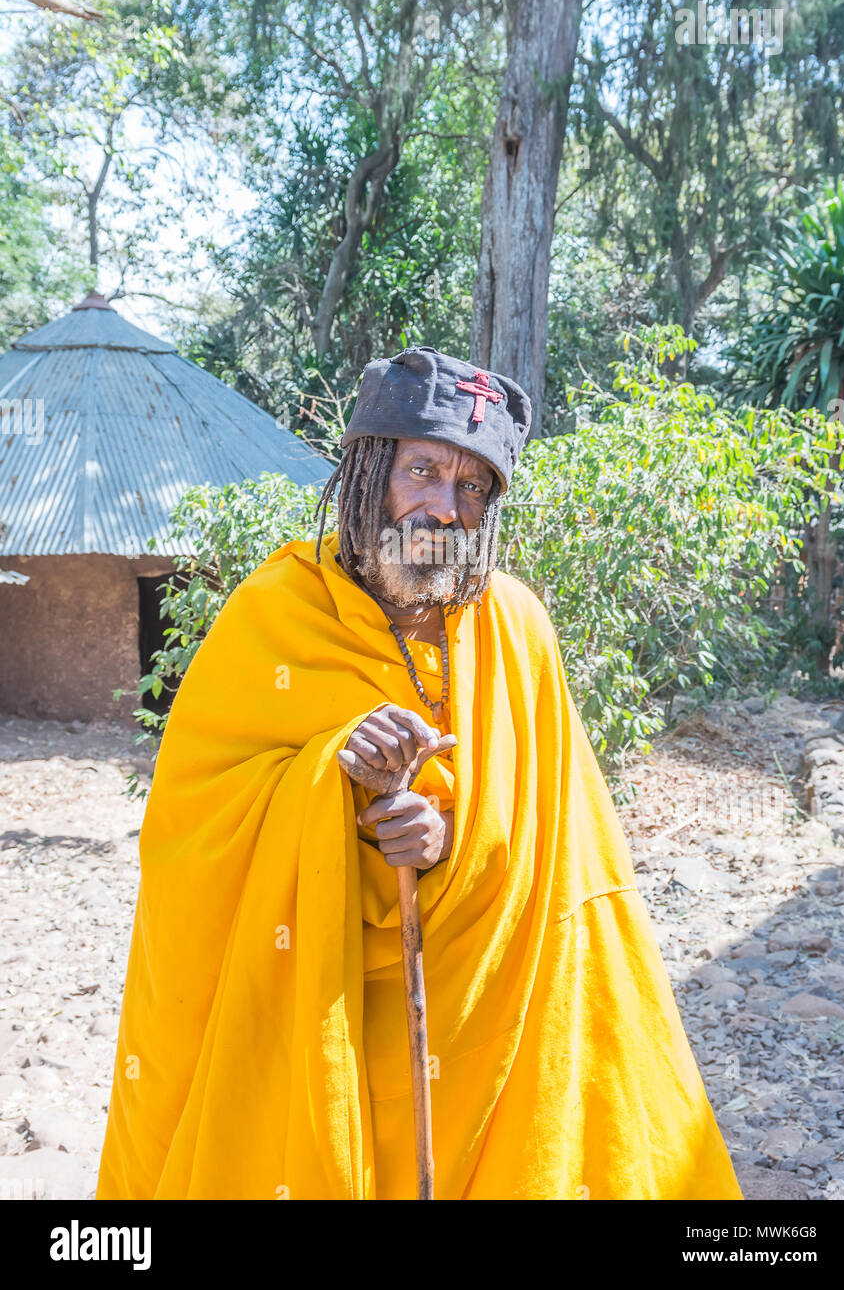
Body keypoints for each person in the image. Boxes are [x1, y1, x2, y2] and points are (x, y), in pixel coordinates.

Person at [96, 345, 742, 1200]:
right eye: (423, 470)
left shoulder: (516, 627)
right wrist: (337, 782)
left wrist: (445, 837)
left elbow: (562, 848)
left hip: (490, 1021)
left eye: (471, 487)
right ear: (368, 472)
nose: (442, 507)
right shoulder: (274, 615)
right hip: (323, 1015)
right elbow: (190, 822)